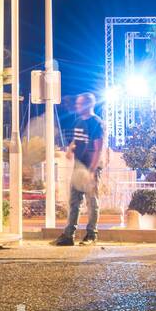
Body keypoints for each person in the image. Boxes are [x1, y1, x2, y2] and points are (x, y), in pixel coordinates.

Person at [54, 91, 105, 246]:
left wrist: (92, 170)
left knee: (92, 202)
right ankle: (69, 235)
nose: (77, 106)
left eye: (80, 103)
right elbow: (76, 140)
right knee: (74, 202)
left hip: (90, 168)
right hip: (78, 166)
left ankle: (91, 234)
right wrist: (70, 149)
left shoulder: (97, 123)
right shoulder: (78, 121)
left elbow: (98, 148)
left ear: (88, 104)